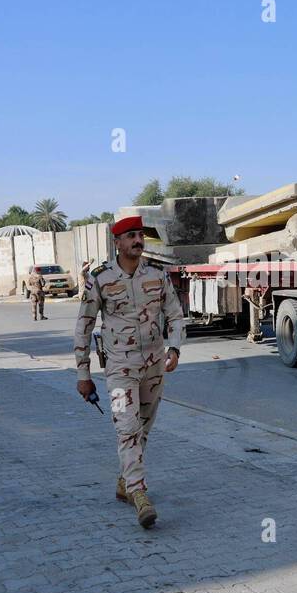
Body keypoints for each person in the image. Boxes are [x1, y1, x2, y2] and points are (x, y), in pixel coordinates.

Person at [72, 216, 184, 528]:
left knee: (143, 426)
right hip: (119, 369)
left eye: (140, 235)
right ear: (117, 242)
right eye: (130, 236)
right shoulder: (100, 278)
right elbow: (84, 325)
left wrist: (174, 348)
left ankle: (125, 481)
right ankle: (139, 494)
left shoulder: (157, 275)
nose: (137, 240)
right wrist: (83, 373)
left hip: (154, 366)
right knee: (126, 426)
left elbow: (174, 314)